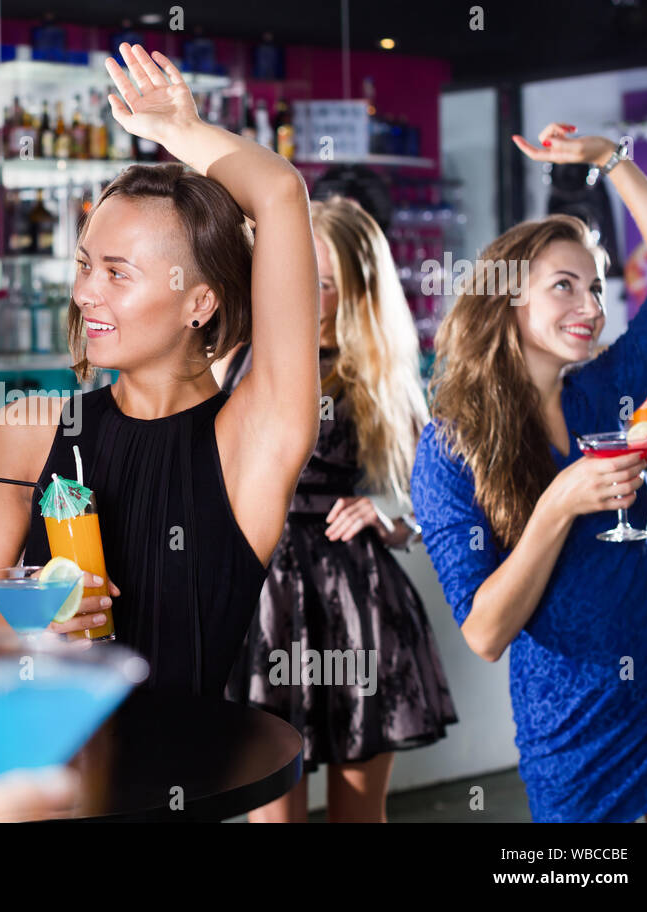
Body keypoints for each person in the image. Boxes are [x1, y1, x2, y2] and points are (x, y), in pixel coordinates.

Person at [0, 43, 320, 695]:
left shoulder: (253, 442)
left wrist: (183, 131)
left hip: (183, 785)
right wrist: (30, 618)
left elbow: (279, 193)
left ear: (199, 302)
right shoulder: (29, 429)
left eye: (118, 274)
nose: (84, 293)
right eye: (85, 265)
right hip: (42, 781)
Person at [412, 122, 647, 823]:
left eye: (594, 288)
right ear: (508, 297)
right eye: (565, 286)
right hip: (573, 724)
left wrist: (610, 160)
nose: (591, 308)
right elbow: (485, 633)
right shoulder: (450, 449)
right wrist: (559, 503)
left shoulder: (600, 390)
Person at [220, 197, 457, 822]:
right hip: (259, 602)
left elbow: (432, 505)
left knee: (357, 816)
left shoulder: (380, 371)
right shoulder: (242, 354)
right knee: (272, 811)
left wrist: (387, 515)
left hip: (355, 602)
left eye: (323, 284)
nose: (305, 293)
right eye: (297, 275)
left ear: (358, 289)